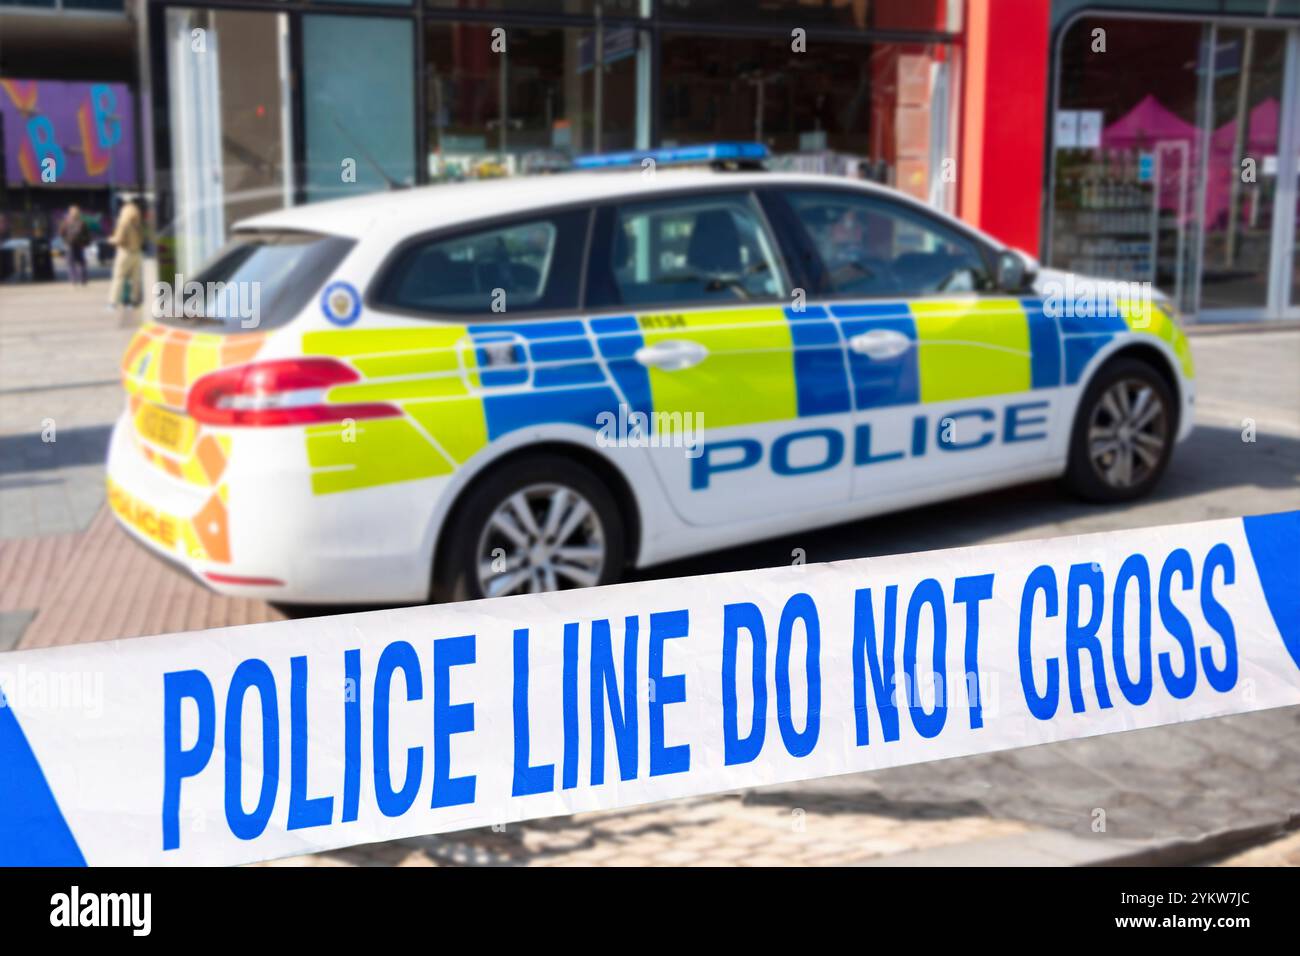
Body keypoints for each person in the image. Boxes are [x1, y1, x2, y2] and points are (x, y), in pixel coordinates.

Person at [107, 200, 143, 310]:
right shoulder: (138, 223)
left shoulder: (123, 223)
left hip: (125, 253)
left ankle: (112, 303)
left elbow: (119, 239)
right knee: (135, 279)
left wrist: (110, 240)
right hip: (137, 253)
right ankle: (133, 302)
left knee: (118, 278)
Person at [59, 205, 91, 286]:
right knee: (82, 262)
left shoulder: (66, 222)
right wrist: (86, 243)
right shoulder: (82, 222)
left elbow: (61, 233)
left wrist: (65, 240)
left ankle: (73, 280)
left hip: (70, 244)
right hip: (80, 245)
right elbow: (87, 234)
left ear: (70, 213)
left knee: (71, 263)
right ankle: (83, 279)